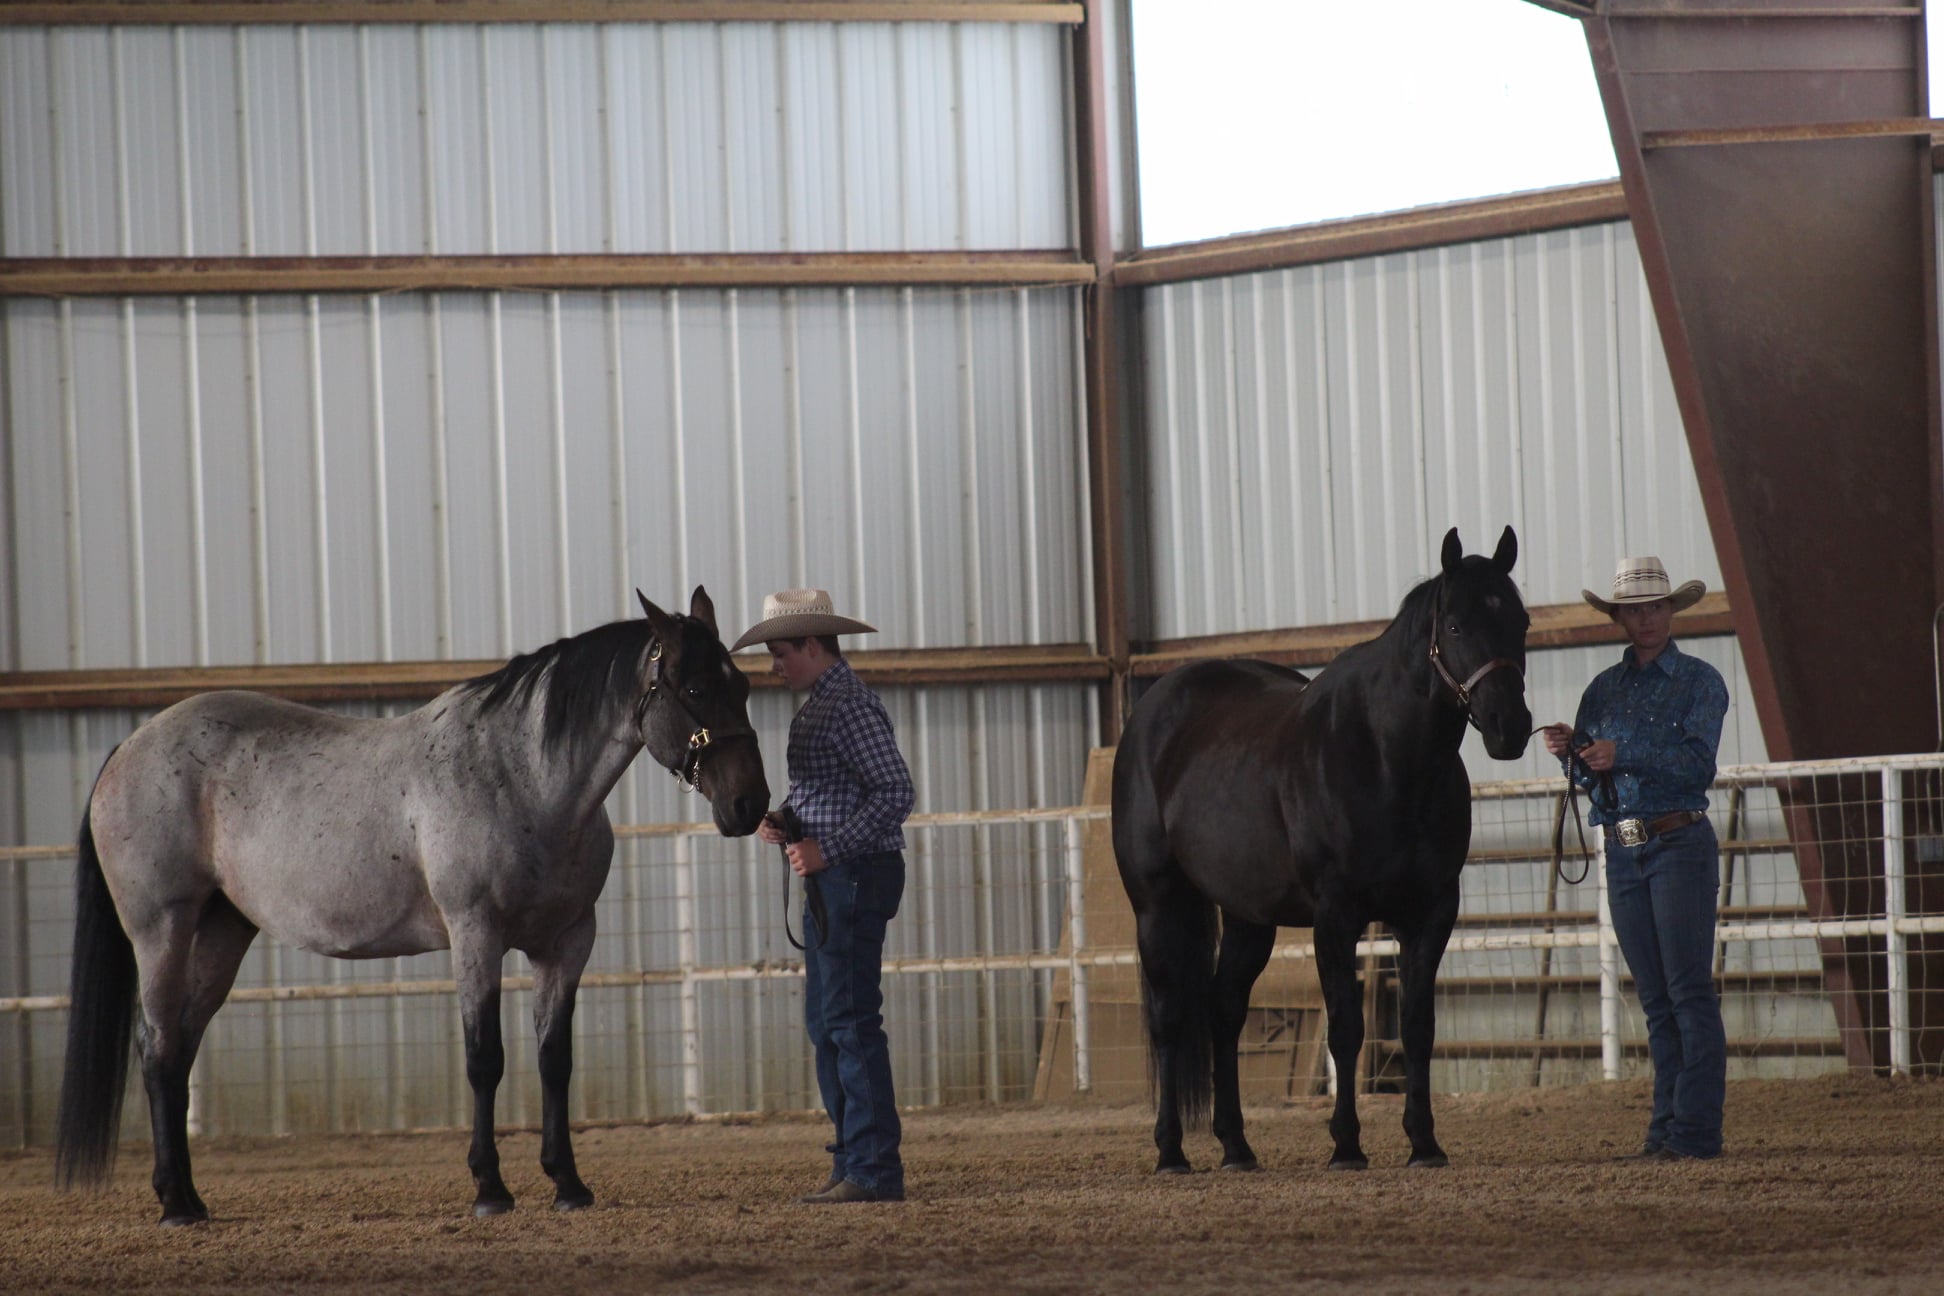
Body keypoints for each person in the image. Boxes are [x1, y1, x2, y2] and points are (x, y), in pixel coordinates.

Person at [1541, 556, 1730, 1162]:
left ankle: (1692, 1133)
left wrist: (1625, 751)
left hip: (1676, 843)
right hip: (1625, 850)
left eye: (1654, 607)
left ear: (1670, 611)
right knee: (1658, 998)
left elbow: (1698, 766)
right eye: (1634, 610)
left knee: (1685, 992)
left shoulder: (1701, 682)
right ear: (1620, 617)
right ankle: (1667, 1131)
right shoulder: (1602, 689)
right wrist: (1574, 754)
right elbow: (1597, 779)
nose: (1645, 618)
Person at [734, 588, 915, 1204]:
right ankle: (853, 1158)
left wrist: (827, 850)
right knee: (830, 1022)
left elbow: (895, 792)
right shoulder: (824, 704)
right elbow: (837, 791)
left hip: (853, 875)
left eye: (781, 652)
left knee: (849, 1021)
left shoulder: (848, 707)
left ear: (814, 645)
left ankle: (871, 1169)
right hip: (839, 876)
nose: (774, 665)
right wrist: (789, 819)